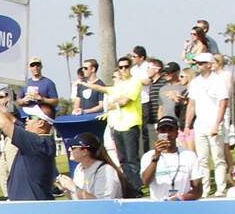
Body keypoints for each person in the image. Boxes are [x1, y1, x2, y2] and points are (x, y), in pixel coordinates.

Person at [0, 83, 57, 201]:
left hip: (32, 207)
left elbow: (4, 124)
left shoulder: (38, 143)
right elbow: (10, 117)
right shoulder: (37, 138)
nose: (27, 120)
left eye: (31, 117)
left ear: (40, 123)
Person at [81, 56, 143, 196]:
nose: (123, 70)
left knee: (132, 160)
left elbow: (125, 101)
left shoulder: (134, 82)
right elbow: (103, 89)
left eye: (125, 67)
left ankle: (136, 189)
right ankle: (129, 188)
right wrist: (87, 84)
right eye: (120, 67)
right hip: (117, 127)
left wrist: (111, 105)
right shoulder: (118, 86)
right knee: (123, 161)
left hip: (130, 125)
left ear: (130, 67)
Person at [185, 52, 230, 196]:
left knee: (218, 158)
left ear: (209, 65)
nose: (198, 65)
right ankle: (204, 190)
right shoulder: (195, 82)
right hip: (200, 124)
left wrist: (217, 124)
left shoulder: (218, 80)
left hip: (213, 123)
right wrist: (187, 125)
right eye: (197, 63)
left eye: (201, 63)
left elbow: (223, 103)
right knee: (202, 160)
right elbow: (191, 105)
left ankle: (221, 189)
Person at [141, 116, 201, 201]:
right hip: (158, 206)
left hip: (182, 206)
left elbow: (198, 190)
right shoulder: (148, 156)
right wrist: (156, 157)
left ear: (177, 133)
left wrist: (181, 198)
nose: (167, 135)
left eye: (170, 130)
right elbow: (145, 182)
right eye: (163, 131)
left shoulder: (189, 155)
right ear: (157, 133)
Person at [58, 131, 125, 200]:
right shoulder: (79, 168)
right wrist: (66, 189)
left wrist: (73, 187)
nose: (69, 149)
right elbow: (78, 199)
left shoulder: (106, 170)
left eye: (73, 148)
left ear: (84, 151)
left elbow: (102, 202)